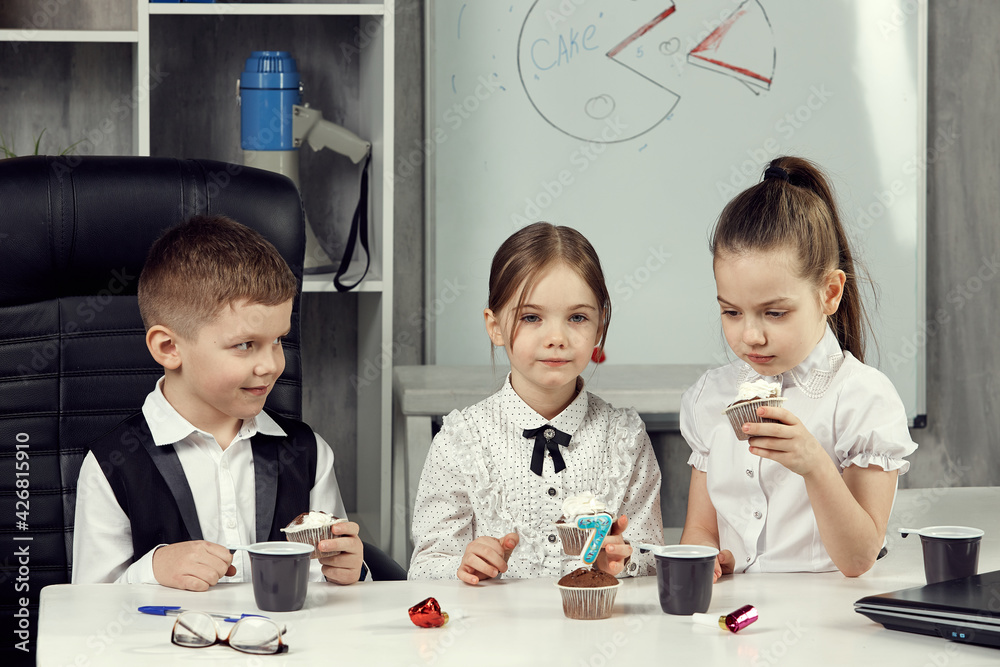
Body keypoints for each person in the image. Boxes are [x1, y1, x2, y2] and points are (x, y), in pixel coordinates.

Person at [72, 215, 365, 590]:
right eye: (245, 345)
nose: (273, 365)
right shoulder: (111, 467)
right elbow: (85, 610)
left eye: (279, 340)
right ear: (169, 348)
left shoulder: (309, 454)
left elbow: (331, 585)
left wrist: (349, 571)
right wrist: (154, 570)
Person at [679, 156, 918, 580]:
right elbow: (701, 529)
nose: (750, 335)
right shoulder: (710, 396)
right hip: (733, 621)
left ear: (829, 293)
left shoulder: (863, 398)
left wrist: (815, 463)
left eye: (774, 313)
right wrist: (705, 559)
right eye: (732, 313)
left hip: (826, 627)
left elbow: (858, 558)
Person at [409, 222, 663, 583]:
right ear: (494, 326)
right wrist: (463, 566)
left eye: (577, 317)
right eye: (531, 317)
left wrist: (624, 560)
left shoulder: (625, 437)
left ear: (599, 326)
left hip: (597, 632)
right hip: (495, 636)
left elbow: (653, 557)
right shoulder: (460, 440)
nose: (556, 338)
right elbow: (422, 570)